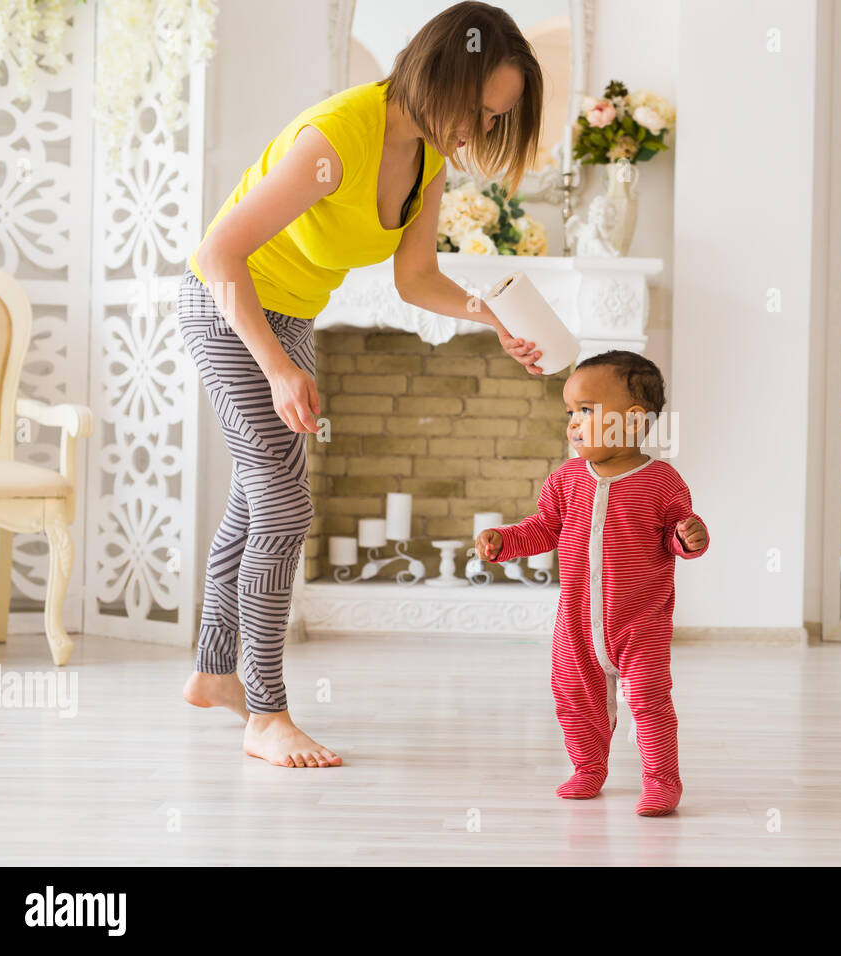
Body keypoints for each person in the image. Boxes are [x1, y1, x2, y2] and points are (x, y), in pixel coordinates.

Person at [178, 1, 545, 768]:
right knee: (284, 501)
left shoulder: (429, 160)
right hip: (227, 309)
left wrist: (494, 321)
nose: (477, 131)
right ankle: (267, 714)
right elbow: (219, 255)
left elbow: (415, 280)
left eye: (493, 119)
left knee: (257, 494)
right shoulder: (339, 133)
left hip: (290, 321)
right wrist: (277, 367)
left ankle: (215, 673)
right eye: (479, 109)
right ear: (444, 69)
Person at [476, 351, 710, 816]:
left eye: (586, 410)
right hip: (577, 623)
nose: (573, 423)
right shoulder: (565, 481)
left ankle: (662, 782)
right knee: (573, 696)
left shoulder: (662, 482)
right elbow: (543, 527)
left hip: (640, 622)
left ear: (633, 420)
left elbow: (676, 536)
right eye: (569, 412)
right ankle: (588, 766)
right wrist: (505, 540)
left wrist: (690, 538)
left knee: (649, 702)